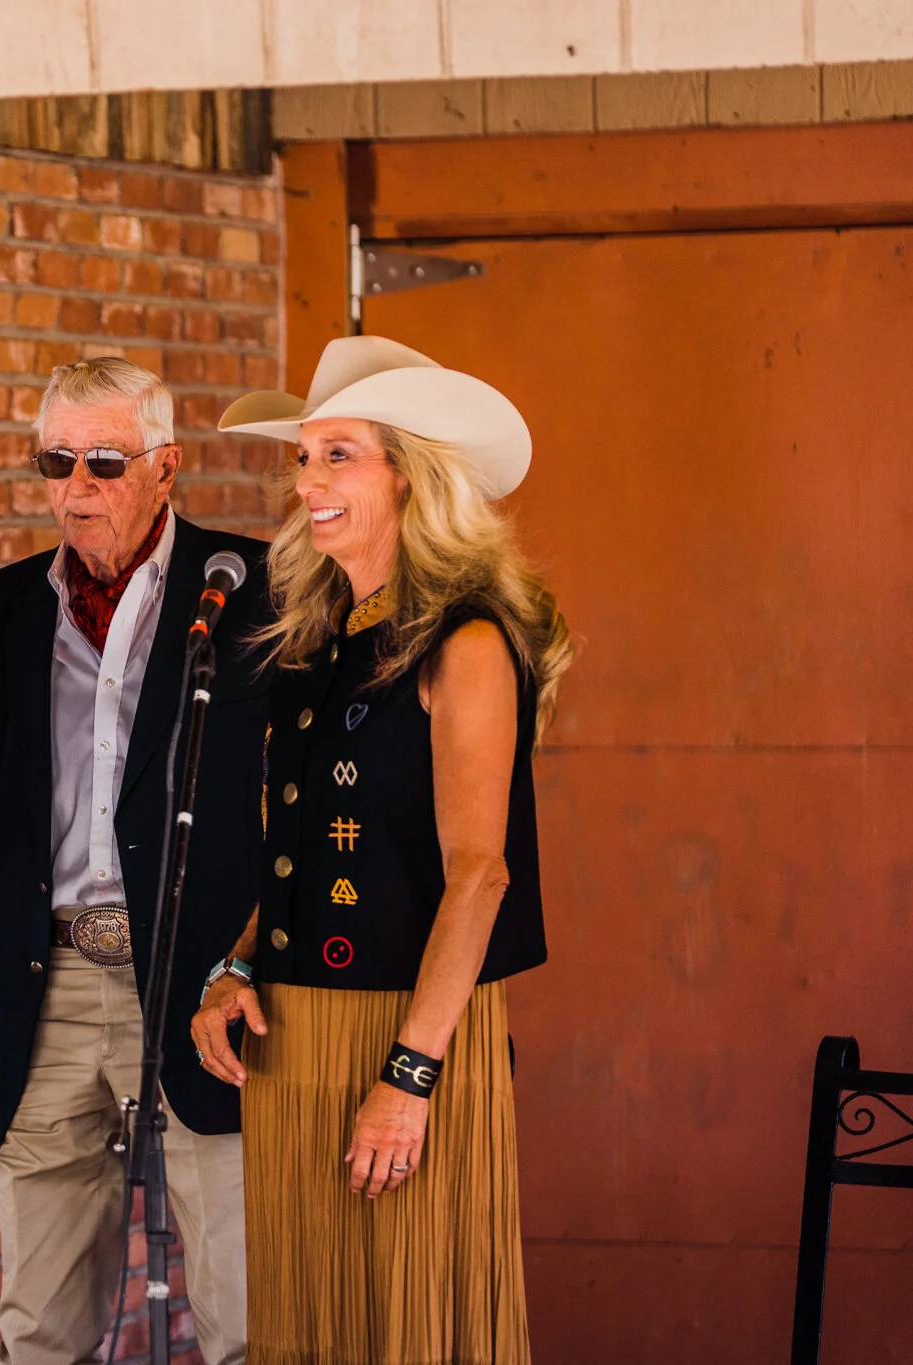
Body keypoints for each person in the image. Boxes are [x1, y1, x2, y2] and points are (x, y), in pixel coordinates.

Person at [0, 358, 272, 1365]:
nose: (75, 487)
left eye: (105, 462)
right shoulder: (1, 610)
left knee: (245, 1315)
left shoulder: (250, 592)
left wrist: (254, 956)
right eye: (55, 462)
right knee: (37, 1326)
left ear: (166, 467)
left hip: (203, 982)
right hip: (49, 982)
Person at [192, 337, 573, 1365]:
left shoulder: (468, 642)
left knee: (412, 1327)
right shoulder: (313, 639)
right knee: (309, 1329)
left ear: (409, 472)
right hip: (291, 1038)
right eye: (302, 458)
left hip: (412, 1039)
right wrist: (233, 967)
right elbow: (299, 859)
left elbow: (477, 874)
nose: (306, 482)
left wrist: (408, 1078)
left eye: (337, 456)